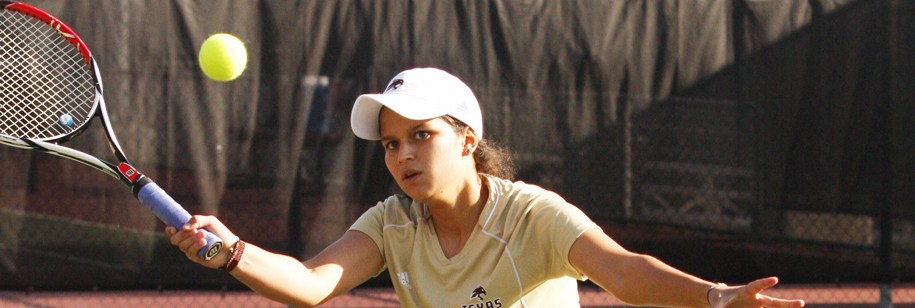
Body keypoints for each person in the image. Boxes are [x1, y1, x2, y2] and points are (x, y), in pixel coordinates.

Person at [167, 67, 806, 308]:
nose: (402, 154)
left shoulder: (532, 215)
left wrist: (715, 296)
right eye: (390, 143)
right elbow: (311, 284)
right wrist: (232, 252)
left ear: (467, 139)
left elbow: (623, 272)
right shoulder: (391, 223)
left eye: (421, 135)